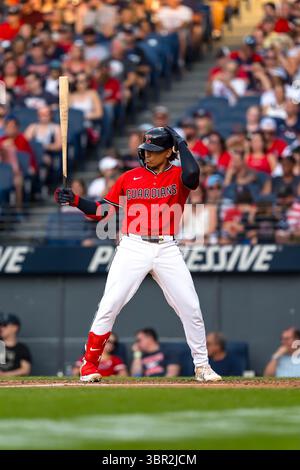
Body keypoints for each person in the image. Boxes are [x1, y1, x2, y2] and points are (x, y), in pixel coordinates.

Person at [54, 126, 222, 383]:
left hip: (167, 248)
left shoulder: (179, 175)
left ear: (169, 152)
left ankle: (202, 366)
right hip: (133, 246)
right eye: (145, 150)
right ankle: (88, 365)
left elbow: (193, 175)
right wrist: (77, 200)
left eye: (154, 151)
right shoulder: (128, 177)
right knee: (109, 305)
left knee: (190, 307)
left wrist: (181, 144)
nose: (147, 154)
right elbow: (103, 212)